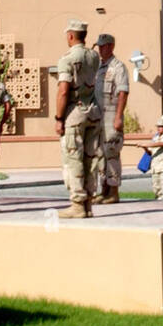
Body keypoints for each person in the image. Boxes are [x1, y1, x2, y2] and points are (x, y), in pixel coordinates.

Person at [55, 18, 103, 219]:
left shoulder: (67, 59)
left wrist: (58, 117)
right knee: (90, 159)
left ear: (70, 35)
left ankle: (77, 204)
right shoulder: (94, 57)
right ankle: (88, 203)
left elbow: (64, 91)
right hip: (93, 112)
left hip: (75, 113)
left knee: (74, 158)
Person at [93, 34, 131, 205]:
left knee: (111, 152)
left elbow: (123, 92)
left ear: (111, 46)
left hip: (111, 114)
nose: (100, 49)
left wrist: (118, 117)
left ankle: (114, 191)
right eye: (99, 46)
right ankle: (104, 190)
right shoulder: (99, 68)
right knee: (100, 154)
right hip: (98, 116)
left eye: (103, 46)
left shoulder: (118, 67)